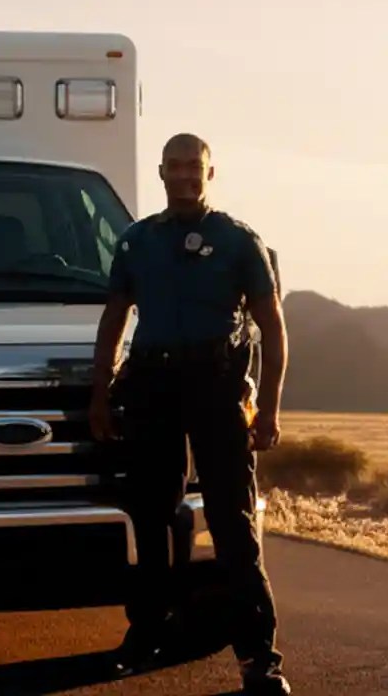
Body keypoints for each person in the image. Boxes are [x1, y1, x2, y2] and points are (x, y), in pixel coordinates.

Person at [89, 133, 290, 695]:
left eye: (193, 167)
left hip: (216, 388)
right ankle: (147, 634)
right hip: (152, 385)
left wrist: (269, 408)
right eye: (174, 166)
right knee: (152, 519)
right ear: (159, 172)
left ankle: (259, 660)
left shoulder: (238, 241)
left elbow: (273, 329)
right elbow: (113, 320)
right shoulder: (137, 242)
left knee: (232, 524)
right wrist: (99, 393)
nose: (183, 175)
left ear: (210, 172)